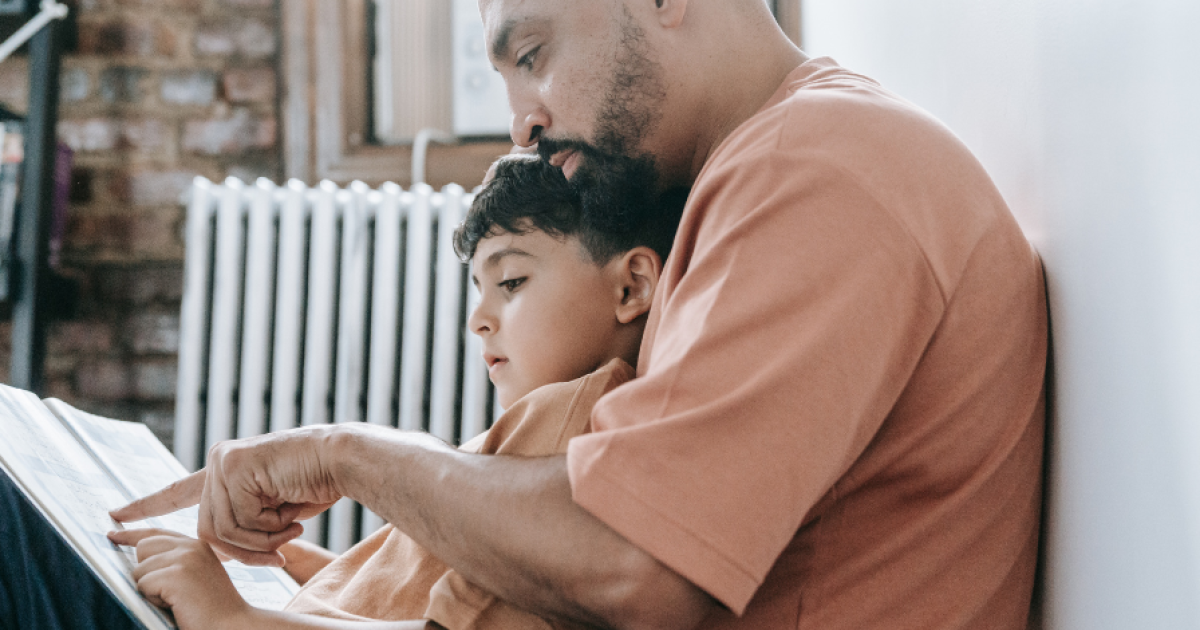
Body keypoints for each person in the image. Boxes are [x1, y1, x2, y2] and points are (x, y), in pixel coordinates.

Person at [111, 0, 1049, 628]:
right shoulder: (761, 177)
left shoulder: (822, 167)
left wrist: (343, 454)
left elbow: (632, 562)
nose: (521, 121)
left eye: (533, 54)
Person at [102, 154, 686, 630]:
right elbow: (434, 601)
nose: (478, 319)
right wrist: (323, 570)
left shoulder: (574, 416)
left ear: (632, 286)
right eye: (478, 289)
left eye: (511, 281)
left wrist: (234, 618)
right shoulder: (543, 426)